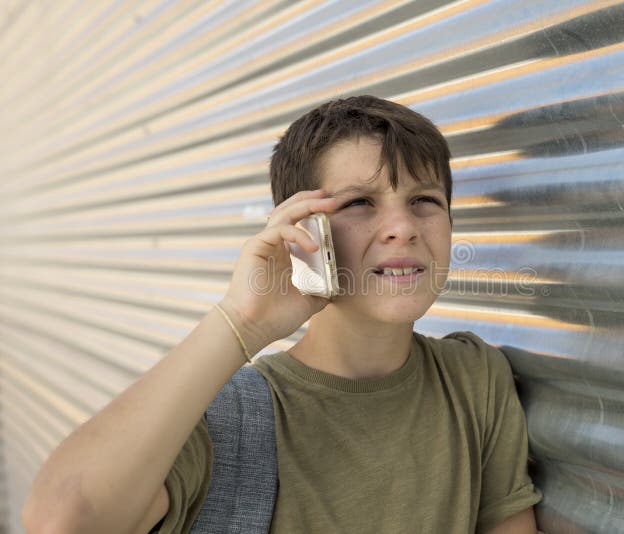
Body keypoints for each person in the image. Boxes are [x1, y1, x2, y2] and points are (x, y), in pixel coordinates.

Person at [23, 95, 541, 533]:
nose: (402, 227)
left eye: (424, 200)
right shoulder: (230, 421)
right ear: (302, 232)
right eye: (360, 203)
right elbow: (64, 517)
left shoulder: (474, 381)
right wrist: (241, 323)